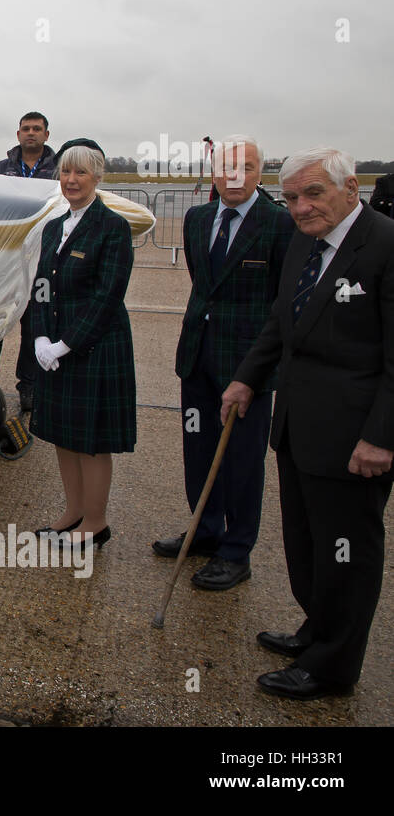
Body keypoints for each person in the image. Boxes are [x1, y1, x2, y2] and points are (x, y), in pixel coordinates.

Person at [222, 147, 394, 700]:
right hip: (297, 427)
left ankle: (333, 668)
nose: (300, 207)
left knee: (346, 552)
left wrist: (381, 437)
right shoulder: (305, 242)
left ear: (351, 189)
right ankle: (316, 630)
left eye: (312, 193)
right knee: (305, 543)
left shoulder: (385, 246)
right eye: (292, 197)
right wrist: (248, 377)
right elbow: (281, 321)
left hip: (354, 439)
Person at [156, 136, 295, 590]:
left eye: (247, 168)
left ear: (261, 173)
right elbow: (204, 285)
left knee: (241, 459)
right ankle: (205, 529)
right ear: (214, 172)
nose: (235, 177)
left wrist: (258, 371)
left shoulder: (278, 224)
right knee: (198, 450)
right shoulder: (197, 219)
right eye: (227, 168)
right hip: (197, 357)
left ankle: (237, 550)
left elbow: (282, 304)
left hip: (246, 366)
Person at [28, 138, 135, 547]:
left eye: (81, 173)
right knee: (63, 435)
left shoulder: (113, 227)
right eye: (66, 172)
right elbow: (41, 286)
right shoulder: (55, 226)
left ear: (97, 178)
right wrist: (39, 335)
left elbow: (108, 296)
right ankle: (71, 512)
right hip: (54, 344)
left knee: (90, 441)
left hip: (93, 347)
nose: (71, 180)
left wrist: (65, 344)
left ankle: (95, 523)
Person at [0, 112, 56, 414]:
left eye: (36, 129)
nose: (31, 133)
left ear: (46, 135)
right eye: (26, 129)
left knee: (35, 325)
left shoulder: (57, 170)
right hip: (7, 259)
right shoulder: (2, 169)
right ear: (18, 134)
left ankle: (29, 385)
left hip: (43, 259)